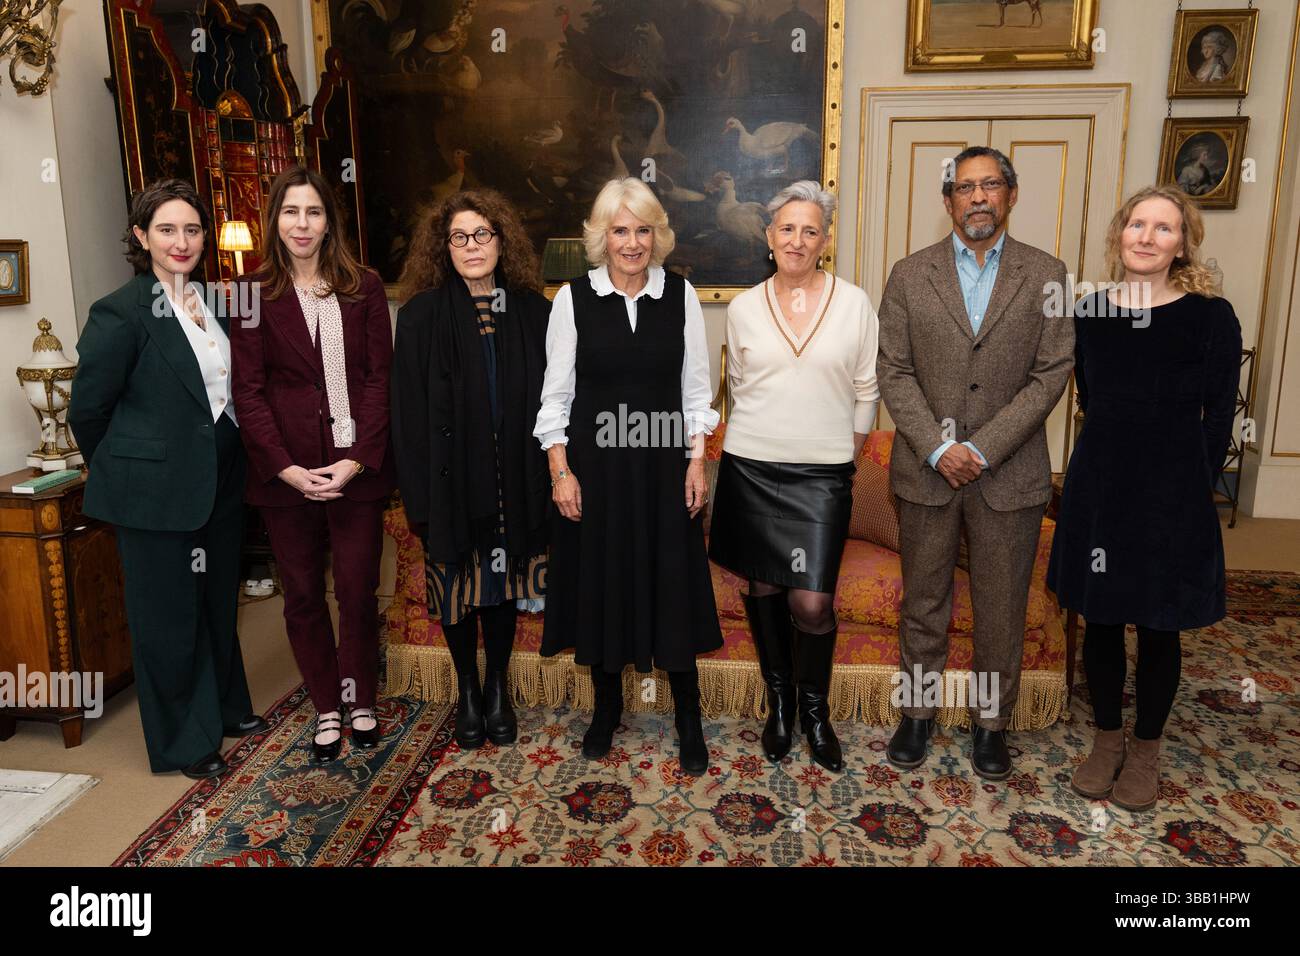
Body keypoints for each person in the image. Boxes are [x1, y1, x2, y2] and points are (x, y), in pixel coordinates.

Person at [877, 146, 1074, 780]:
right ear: (949, 201)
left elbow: (1050, 374)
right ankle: (917, 715)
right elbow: (894, 369)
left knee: (1000, 606)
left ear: (1012, 195)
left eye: (992, 185)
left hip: (1007, 476)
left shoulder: (1048, 274)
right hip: (926, 472)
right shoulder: (909, 275)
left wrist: (982, 447)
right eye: (966, 188)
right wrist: (940, 447)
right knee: (924, 601)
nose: (979, 197)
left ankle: (992, 725)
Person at [1048, 185, 1242, 812]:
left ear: (1183, 242)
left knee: (1160, 625)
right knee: (1102, 615)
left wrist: (1196, 482)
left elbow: (1219, 418)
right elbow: (1088, 397)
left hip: (1174, 491)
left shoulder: (1212, 316)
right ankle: (1107, 739)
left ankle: (1148, 746)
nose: (1147, 236)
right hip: (1102, 482)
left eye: (1164, 228)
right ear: (1120, 233)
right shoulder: (1092, 310)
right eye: (1137, 224)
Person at [69, 179, 266, 779]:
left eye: (191, 229)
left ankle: (227, 707)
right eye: (166, 229)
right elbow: (88, 411)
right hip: (153, 494)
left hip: (221, 480)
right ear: (140, 237)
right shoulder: (121, 311)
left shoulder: (217, 301)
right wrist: (135, 469)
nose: (181, 242)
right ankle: (183, 741)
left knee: (214, 600)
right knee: (167, 618)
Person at [535, 178, 721, 774]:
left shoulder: (682, 296)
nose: (632, 242)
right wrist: (560, 471)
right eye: (620, 230)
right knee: (604, 581)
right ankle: (605, 709)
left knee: (673, 580)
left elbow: (697, 390)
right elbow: (555, 397)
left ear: (657, 235)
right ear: (602, 236)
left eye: (643, 229)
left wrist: (697, 460)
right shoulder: (572, 299)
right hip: (598, 470)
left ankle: (687, 714)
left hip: (665, 466)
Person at [707, 181, 879, 773]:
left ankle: (815, 709)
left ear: (825, 241)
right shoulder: (743, 307)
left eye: (810, 230)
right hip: (750, 466)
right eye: (786, 228)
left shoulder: (854, 303)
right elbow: (740, 392)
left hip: (822, 475)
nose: (797, 240)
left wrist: (844, 456)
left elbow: (866, 389)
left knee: (811, 603)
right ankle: (778, 702)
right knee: (763, 587)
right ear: (768, 237)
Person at [230, 166, 394, 764]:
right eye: (290, 212)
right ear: (275, 219)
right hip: (287, 477)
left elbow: (380, 379)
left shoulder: (365, 287)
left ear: (331, 221)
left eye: (314, 212)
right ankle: (326, 705)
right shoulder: (251, 293)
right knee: (301, 594)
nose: (302, 225)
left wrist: (355, 460)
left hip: (357, 470)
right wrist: (285, 468)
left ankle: (360, 700)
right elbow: (246, 391)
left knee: (355, 588)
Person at [391, 189, 550, 749]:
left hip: (516, 481)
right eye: (459, 237)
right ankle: (466, 688)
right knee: (457, 585)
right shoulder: (419, 316)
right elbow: (406, 415)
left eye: (483, 234)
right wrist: (417, 496)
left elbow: (556, 402)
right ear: (444, 247)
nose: (472, 246)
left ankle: (499, 686)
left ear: (502, 241)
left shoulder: (534, 311)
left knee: (502, 585)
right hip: (448, 483)